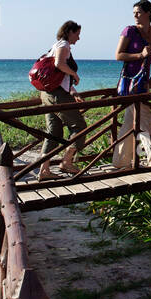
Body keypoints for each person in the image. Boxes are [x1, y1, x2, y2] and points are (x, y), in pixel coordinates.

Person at [111, 0, 151, 169]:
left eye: (138, 12)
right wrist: (140, 55)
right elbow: (118, 55)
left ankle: (120, 161)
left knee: (130, 123)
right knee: (146, 120)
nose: (135, 15)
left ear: (148, 13)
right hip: (130, 82)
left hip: (144, 82)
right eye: (134, 12)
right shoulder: (129, 31)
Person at [38, 21, 88, 181]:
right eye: (77, 34)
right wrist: (75, 74)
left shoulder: (57, 45)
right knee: (80, 126)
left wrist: (72, 91)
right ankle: (66, 161)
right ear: (70, 32)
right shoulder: (64, 45)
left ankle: (44, 170)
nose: (79, 38)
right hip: (57, 96)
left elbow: (58, 76)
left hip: (48, 94)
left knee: (54, 132)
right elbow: (59, 65)